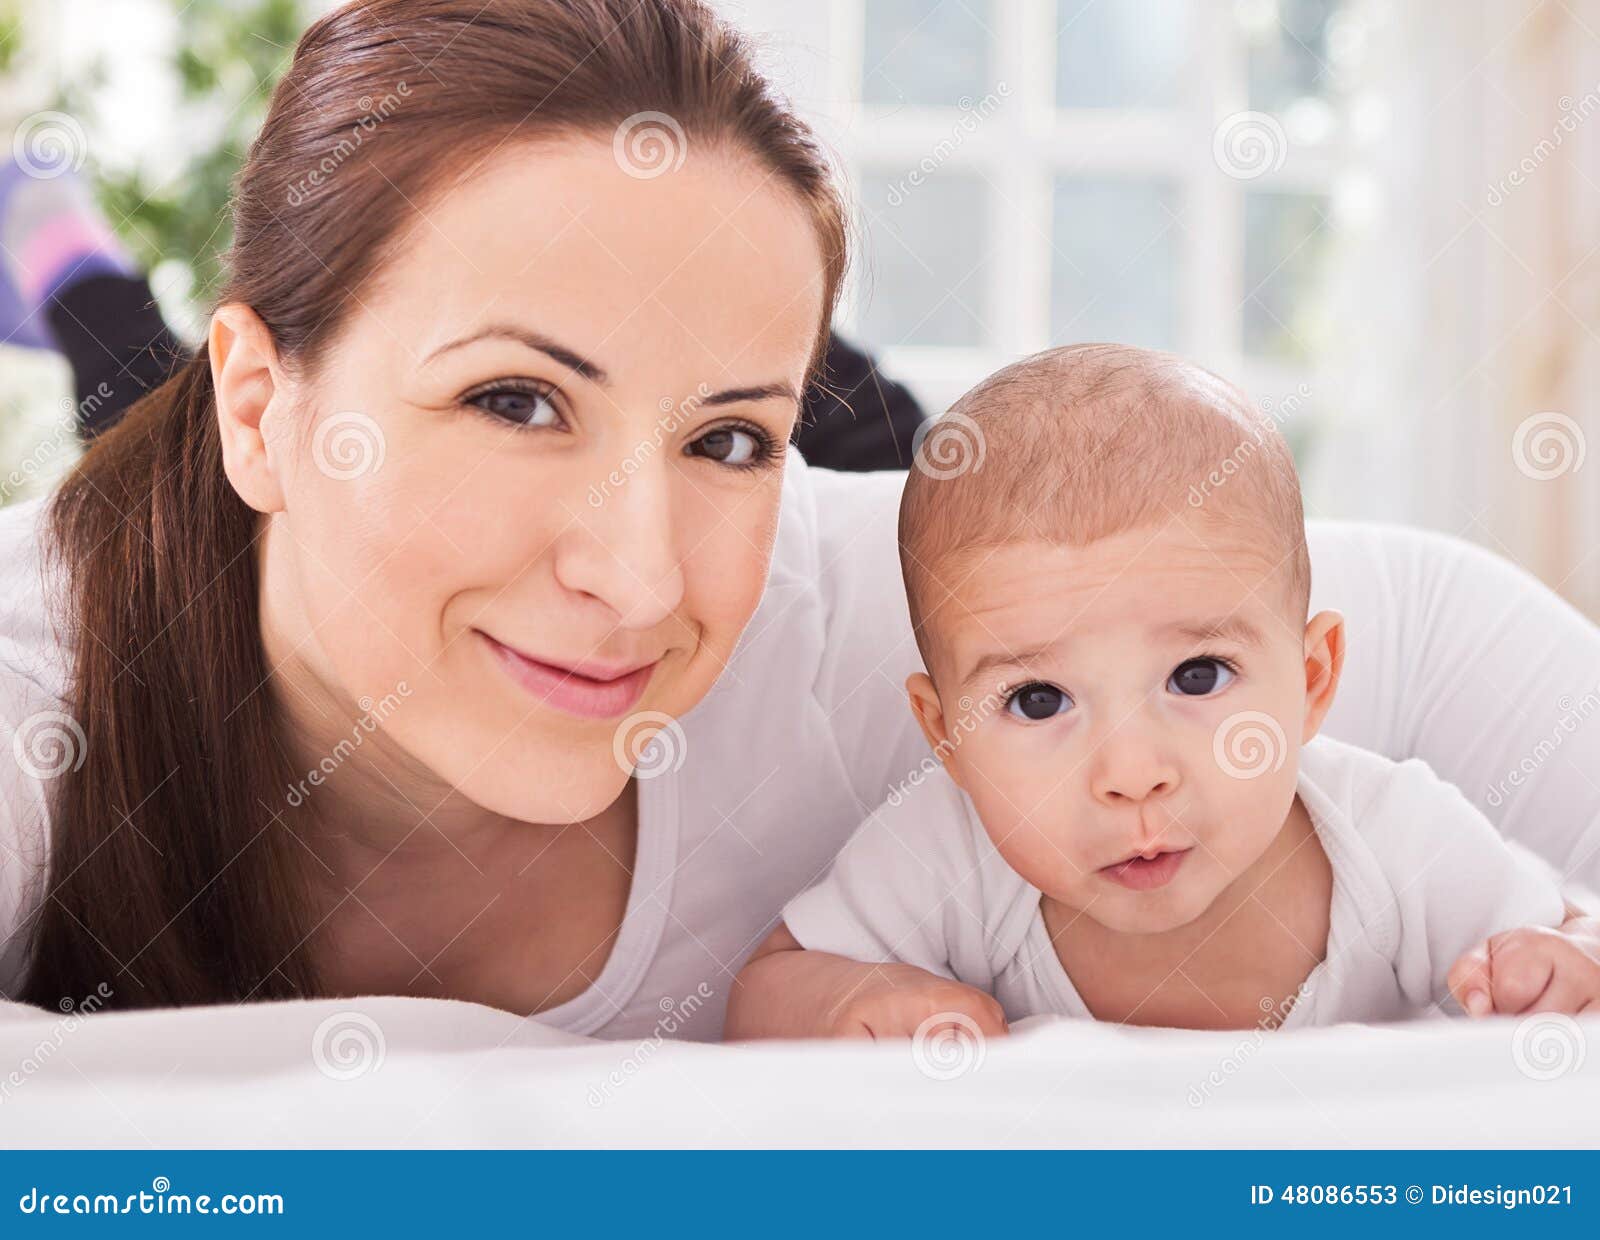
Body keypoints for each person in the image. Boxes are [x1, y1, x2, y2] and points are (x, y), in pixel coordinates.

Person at [1, 0, 1597, 1042]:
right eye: (512, 401)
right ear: (266, 409)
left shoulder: (979, 622)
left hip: (869, 454)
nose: (635, 584)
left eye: (726, 441)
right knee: (132, 390)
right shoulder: (42, 696)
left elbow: (1429, 639)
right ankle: (70, 273)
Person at [727, 345, 1593, 1040]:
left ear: (1312, 680)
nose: (1132, 773)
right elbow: (769, 988)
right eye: (1037, 701)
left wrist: (1555, 970)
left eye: (1197, 676)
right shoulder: (948, 858)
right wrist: (852, 1002)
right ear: (945, 734)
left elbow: (1569, 943)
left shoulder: (1397, 840)